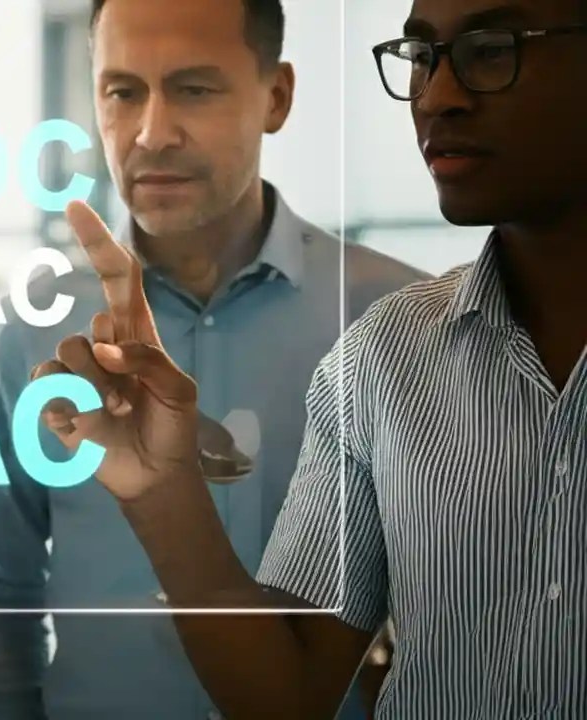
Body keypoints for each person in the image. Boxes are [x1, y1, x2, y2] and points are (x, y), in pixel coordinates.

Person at [33, 0, 587, 716]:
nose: (436, 97)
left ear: (277, 95)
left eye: (491, 50)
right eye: (422, 58)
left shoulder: (364, 307)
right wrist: (164, 491)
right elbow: (289, 699)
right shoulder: (384, 356)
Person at [0, 0, 427, 718]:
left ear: (276, 97)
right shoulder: (30, 325)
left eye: (194, 89)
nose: (151, 133)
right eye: (123, 91)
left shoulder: (391, 320)